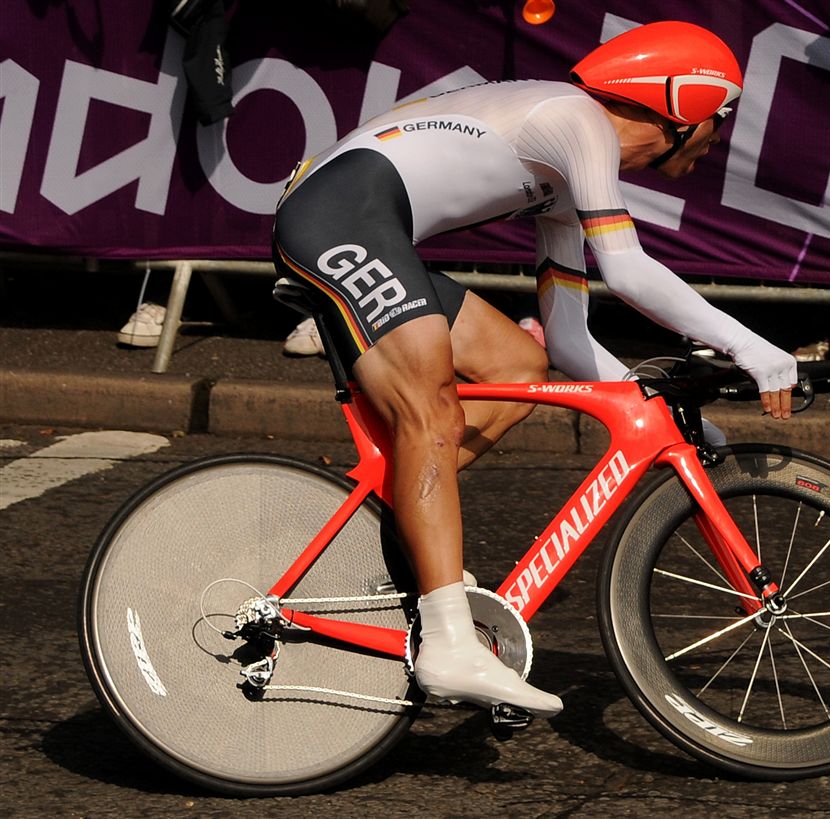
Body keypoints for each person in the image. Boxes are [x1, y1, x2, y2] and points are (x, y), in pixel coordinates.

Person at [271, 21, 797, 720]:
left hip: (364, 220)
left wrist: (661, 413)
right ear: (682, 105)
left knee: (520, 363)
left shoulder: (566, 170)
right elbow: (629, 269)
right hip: (338, 216)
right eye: (718, 119)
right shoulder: (575, 121)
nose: (718, 138)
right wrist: (752, 348)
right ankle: (450, 642)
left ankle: (408, 526)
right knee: (432, 413)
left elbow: (569, 337)